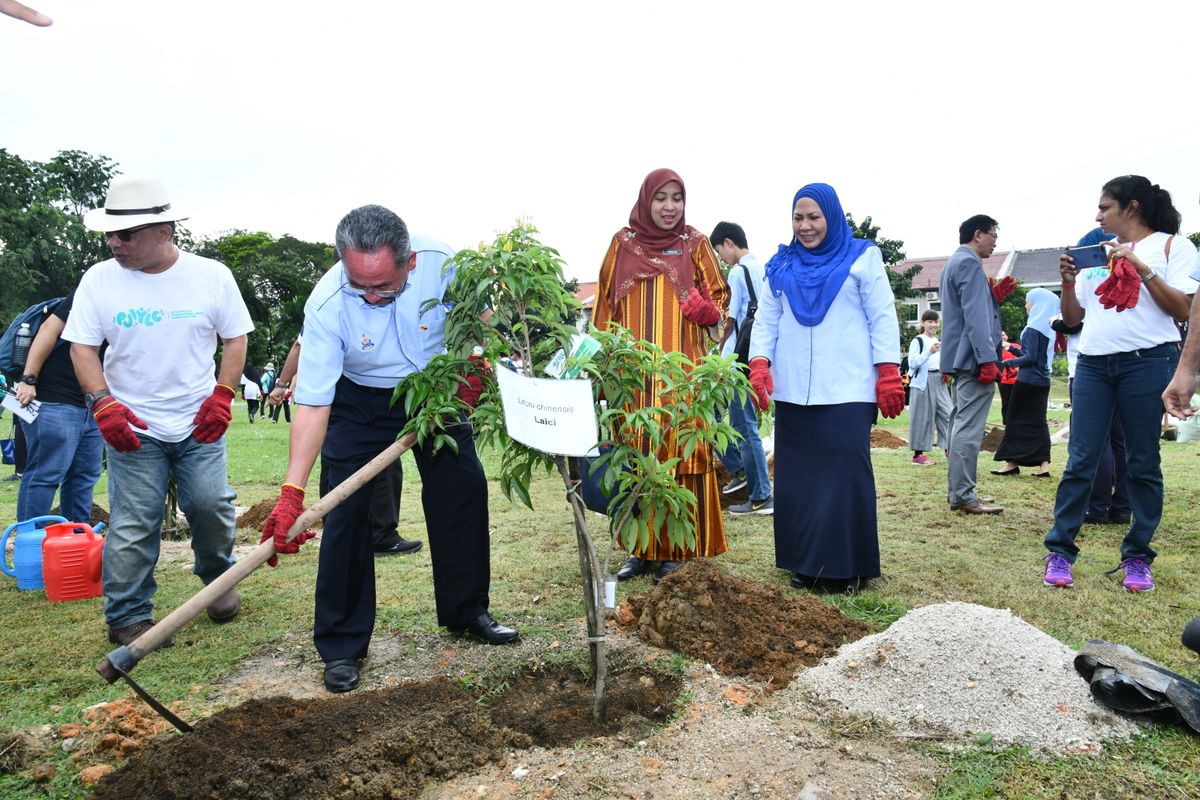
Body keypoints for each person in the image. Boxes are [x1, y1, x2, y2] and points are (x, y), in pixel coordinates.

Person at [260, 205, 516, 695]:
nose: (371, 297)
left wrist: (476, 363)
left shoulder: (443, 262)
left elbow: (481, 319)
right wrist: (292, 491)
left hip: (436, 388)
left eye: (383, 286)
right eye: (360, 286)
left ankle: (467, 611)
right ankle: (342, 644)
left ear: (410, 262)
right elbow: (313, 403)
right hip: (359, 399)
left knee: (462, 489)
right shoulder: (326, 304)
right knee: (345, 510)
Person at [63, 176, 252, 646]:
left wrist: (223, 395)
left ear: (164, 231)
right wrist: (103, 402)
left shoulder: (211, 275)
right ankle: (128, 615)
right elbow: (82, 348)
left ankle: (217, 581)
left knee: (210, 506)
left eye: (126, 234)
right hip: (132, 425)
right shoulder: (99, 279)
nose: (114, 243)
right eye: (110, 233)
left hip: (198, 421)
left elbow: (235, 338)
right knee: (134, 520)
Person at [747, 182, 904, 594]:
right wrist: (759, 362)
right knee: (799, 478)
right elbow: (766, 320)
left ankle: (848, 566)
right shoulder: (780, 265)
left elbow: (882, 315)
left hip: (848, 388)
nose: (805, 226)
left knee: (843, 475)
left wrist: (888, 370)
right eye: (798, 217)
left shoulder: (862, 257)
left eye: (814, 217)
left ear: (831, 216)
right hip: (793, 390)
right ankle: (805, 562)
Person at [1043, 175, 1196, 592]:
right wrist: (1068, 283)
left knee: (1142, 462)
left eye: (1104, 207)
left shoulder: (1172, 247)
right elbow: (1073, 319)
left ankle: (1138, 557)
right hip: (1093, 365)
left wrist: (1143, 269)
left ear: (1132, 207)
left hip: (1149, 362)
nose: (1098, 216)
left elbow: (1182, 309)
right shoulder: (1098, 250)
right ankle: (1060, 550)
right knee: (1080, 460)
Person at [592, 169, 730, 585]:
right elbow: (603, 306)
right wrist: (602, 368)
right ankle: (641, 548)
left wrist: (709, 314)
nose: (670, 207)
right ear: (645, 200)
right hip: (632, 380)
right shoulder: (622, 244)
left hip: (681, 378)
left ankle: (679, 550)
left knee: (680, 453)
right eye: (661, 198)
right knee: (635, 455)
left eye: (677, 198)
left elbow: (722, 303)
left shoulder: (696, 244)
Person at [939, 214, 1012, 515]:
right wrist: (987, 358)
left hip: (962, 357)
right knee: (968, 430)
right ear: (978, 234)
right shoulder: (968, 263)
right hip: (972, 359)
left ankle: (961, 491)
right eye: (994, 235)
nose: (995, 242)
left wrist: (991, 298)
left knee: (961, 425)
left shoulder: (955, 262)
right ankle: (963, 495)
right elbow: (974, 317)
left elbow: (969, 309)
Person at [13, 288, 103, 523]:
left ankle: (76, 538)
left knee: (84, 477)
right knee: (46, 473)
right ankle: (31, 539)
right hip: (53, 397)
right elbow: (48, 329)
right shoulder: (97, 286)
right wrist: (28, 379)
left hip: (93, 403)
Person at [709, 220, 773, 515]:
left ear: (728, 243)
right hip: (754, 356)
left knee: (735, 424)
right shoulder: (762, 269)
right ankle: (743, 472)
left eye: (719, 251)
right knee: (738, 422)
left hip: (736, 361)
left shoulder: (737, 272)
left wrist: (720, 354)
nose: (721, 258)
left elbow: (731, 320)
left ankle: (759, 494)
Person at [991, 288, 1058, 478]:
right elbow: (1035, 356)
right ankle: (1044, 465)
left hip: (1027, 382)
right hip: (1042, 381)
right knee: (1038, 421)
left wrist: (1006, 363)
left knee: (1014, 419)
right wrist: (1012, 349)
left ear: (1037, 304)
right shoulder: (1048, 328)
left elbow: (1029, 358)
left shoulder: (1032, 328)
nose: (1026, 305)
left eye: (1028, 301)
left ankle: (1012, 463)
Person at [907, 310, 943, 466]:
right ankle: (918, 455)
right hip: (922, 381)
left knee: (948, 413)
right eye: (929, 321)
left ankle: (949, 447)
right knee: (922, 417)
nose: (933, 324)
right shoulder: (918, 341)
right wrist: (929, 352)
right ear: (922, 323)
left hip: (939, 380)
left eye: (935, 321)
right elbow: (912, 363)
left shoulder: (937, 340)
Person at [998, 330, 1021, 424]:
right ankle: (1006, 424)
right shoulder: (996, 349)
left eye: (1003, 335)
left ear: (1007, 336)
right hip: (1004, 381)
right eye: (999, 336)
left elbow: (1023, 357)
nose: (1002, 337)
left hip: (1018, 380)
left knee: (1018, 402)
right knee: (1006, 403)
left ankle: (1018, 423)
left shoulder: (1016, 346)